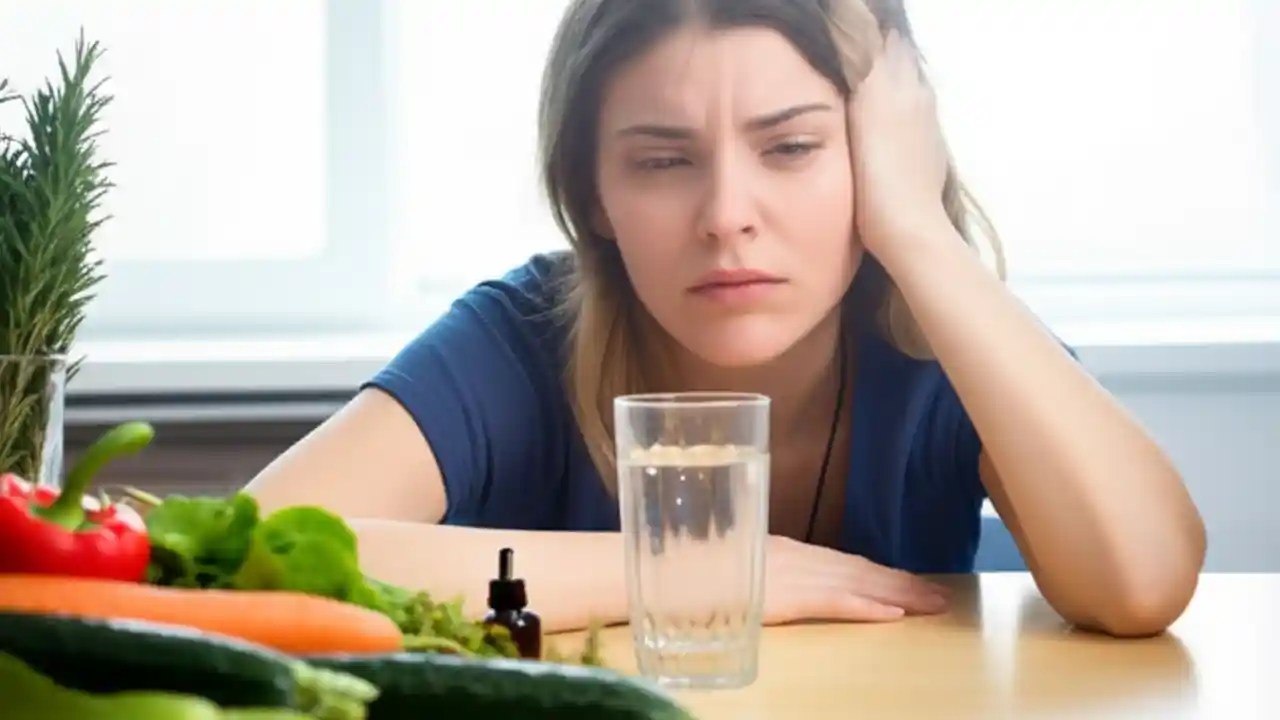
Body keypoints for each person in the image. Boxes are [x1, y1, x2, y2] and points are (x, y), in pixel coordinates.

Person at [245, 0, 1205, 638]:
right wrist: (699, 572)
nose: (725, 215)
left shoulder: (940, 334)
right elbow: (256, 554)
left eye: (791, 147)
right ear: (594, 193)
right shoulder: (522, 338)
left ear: (879, 155)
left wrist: (916, 225)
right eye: (663, 162)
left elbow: (1144, 583)